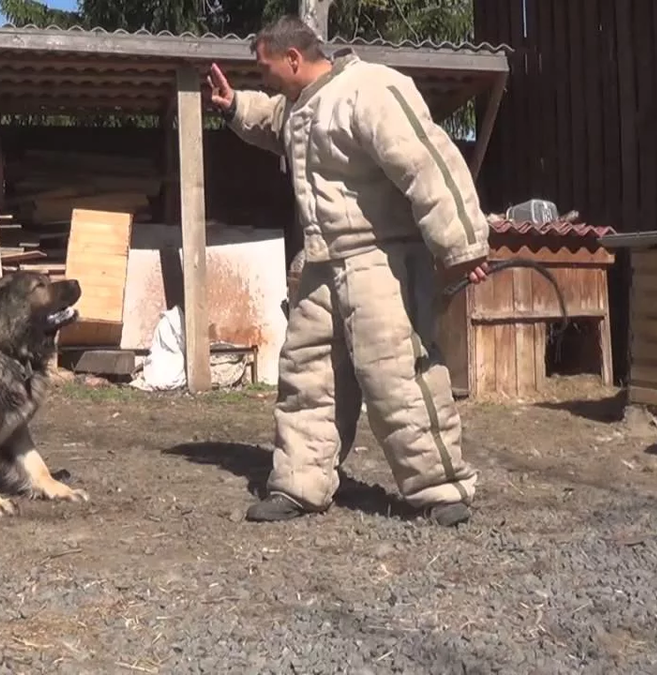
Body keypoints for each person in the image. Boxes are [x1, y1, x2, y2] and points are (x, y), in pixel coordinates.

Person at [206, 16, 492, 527]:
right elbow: (274, 120)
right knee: (305, 377)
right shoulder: (300, 106)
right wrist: (233, 108)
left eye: (266, 68)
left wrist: (462, 244)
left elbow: (428, 162)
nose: (264, 78)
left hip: (380, 260)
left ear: (293, 59)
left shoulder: (372, 89)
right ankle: (300, 482)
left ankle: (440, 489)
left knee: (398, 375)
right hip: (320, 264)